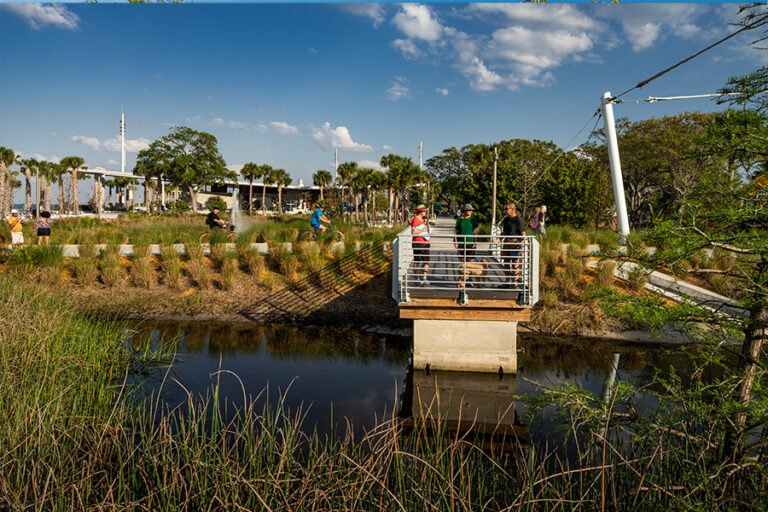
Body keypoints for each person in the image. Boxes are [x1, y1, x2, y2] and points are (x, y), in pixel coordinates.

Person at [494, 202, 526, 287]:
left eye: (507, 209)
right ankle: (507, 282)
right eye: (505, 209)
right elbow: (504, 232)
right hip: (506, 243)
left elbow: (523, 234)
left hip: (515, 243)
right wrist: (498, 239)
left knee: (515, 262)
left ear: (513, 209)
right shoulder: (506, 219)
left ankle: (515, 283)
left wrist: (519, 244)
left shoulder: (518, 220)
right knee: (506, 262)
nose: (505, 211)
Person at [410, 204, 430, 286]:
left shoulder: (422, 220)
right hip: (418, 242)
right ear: (420, 212)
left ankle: (424, 278)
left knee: (426, 261)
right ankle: (417, 279)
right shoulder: (415, 219)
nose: (426, 212)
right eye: (425, 211)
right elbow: (413, 232)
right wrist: (423, 230)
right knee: (417, 261)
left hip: (426, 242)